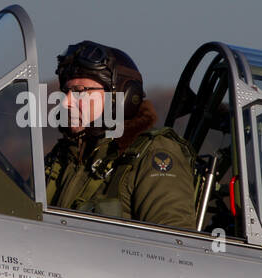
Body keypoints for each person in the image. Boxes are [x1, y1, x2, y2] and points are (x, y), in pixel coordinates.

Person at [44, 42, 197, 230]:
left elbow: (173, 247)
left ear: (120, 97)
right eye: (66, 92)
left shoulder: (152, 154)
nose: (67, 102)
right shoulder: (61, 159)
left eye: (79, 92)